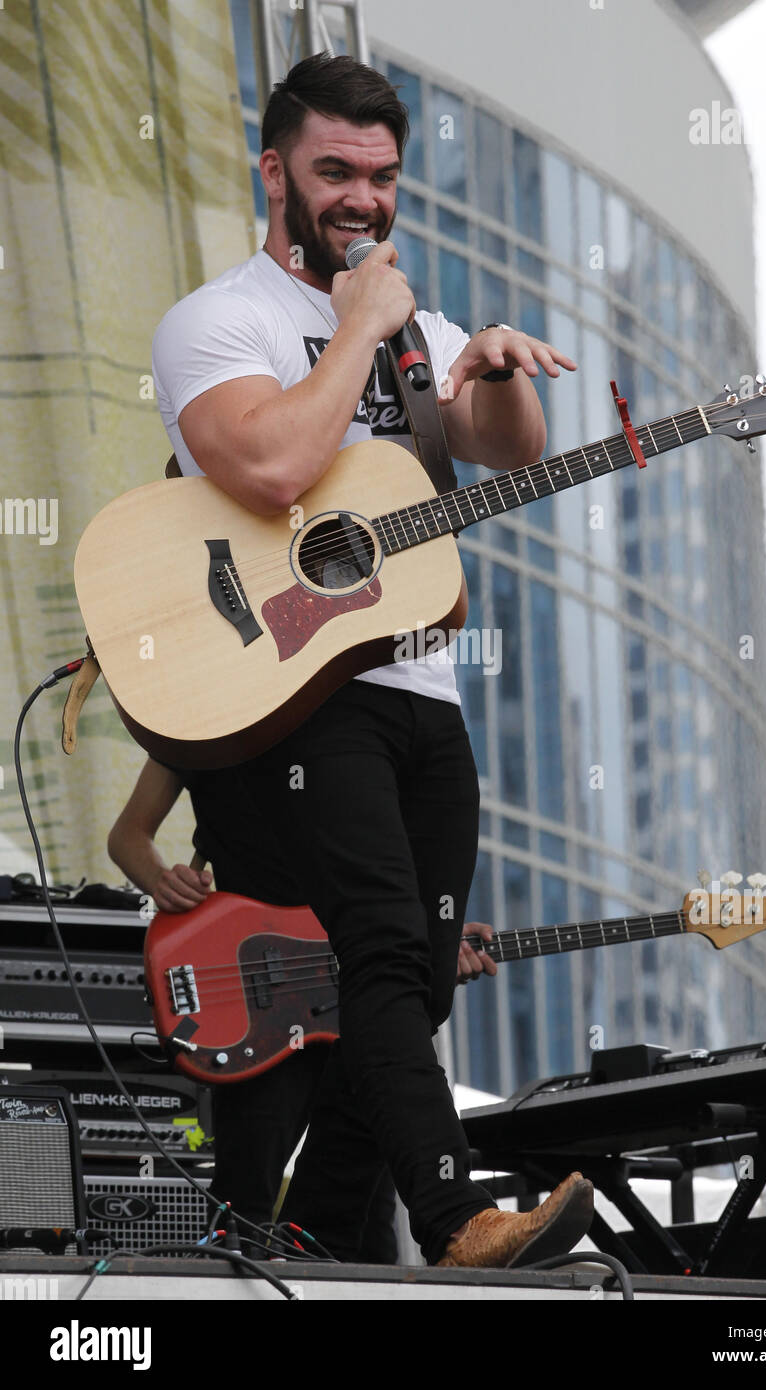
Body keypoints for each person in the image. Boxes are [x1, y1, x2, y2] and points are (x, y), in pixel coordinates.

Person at [150, 51, 594, 1268]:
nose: (361, 197)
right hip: (300, 691)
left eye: (382, 175)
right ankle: (458, 1216)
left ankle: (324, 1231)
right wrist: (355, 327)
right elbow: (272, 469)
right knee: (386, 953)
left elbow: (504, 448)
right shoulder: (219, 321)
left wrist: (493, 364)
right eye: (333, 170)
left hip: (421, 692)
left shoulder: (419, 324)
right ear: (274, 172)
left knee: (415, 983)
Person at [108, 755, 497, 1262]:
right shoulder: (201, 719)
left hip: (359, 996)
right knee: (241, 1209)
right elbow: (127, 837)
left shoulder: (361, 726)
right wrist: (161, 880)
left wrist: (434, 941)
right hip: (256, 993)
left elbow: (389, 879)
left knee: (362, 1217)